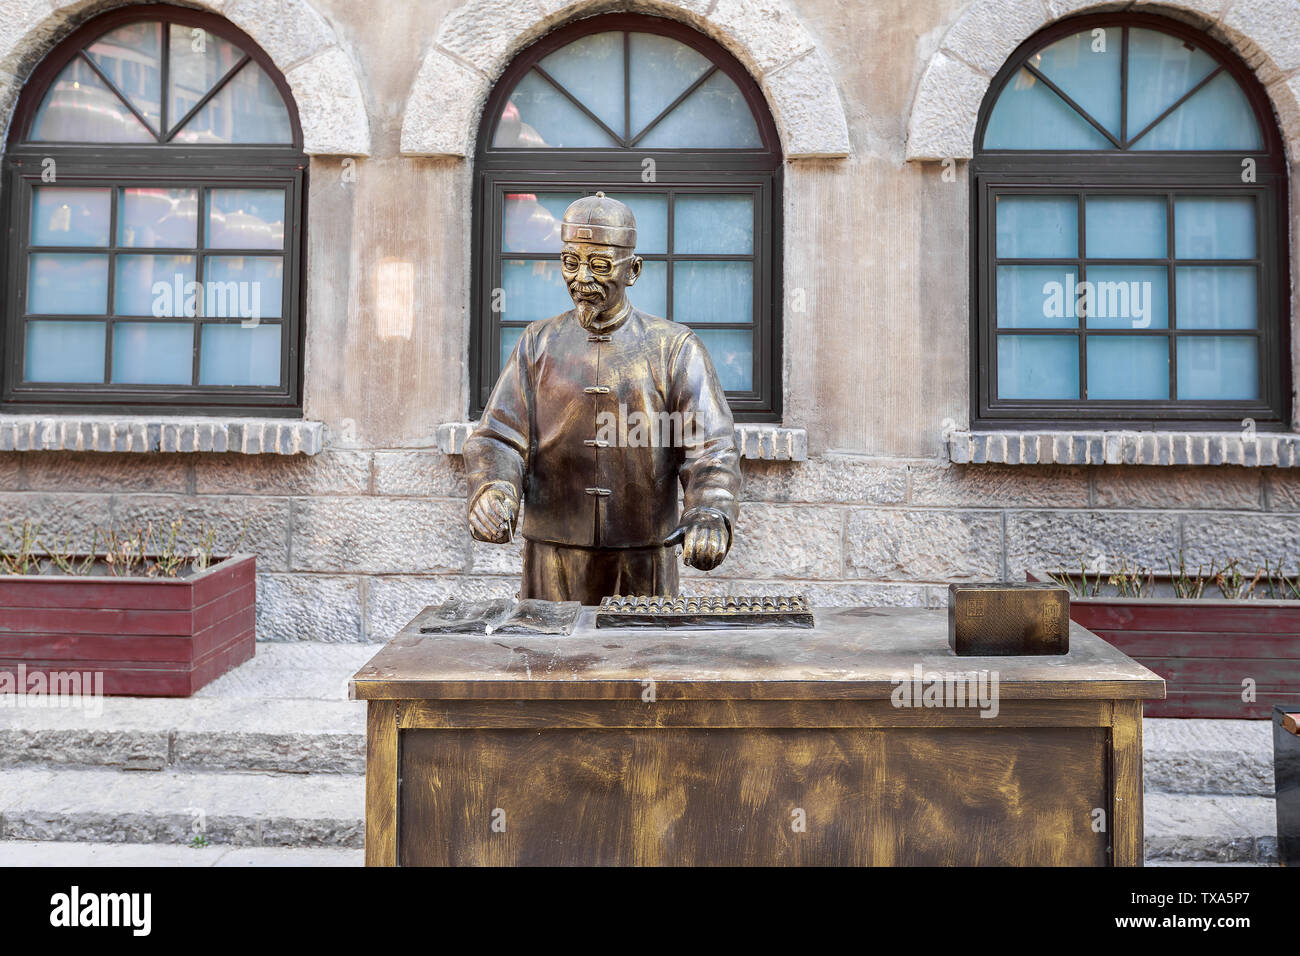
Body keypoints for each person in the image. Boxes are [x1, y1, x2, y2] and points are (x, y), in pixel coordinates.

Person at [464, 192, 742, 604]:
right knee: (550, 664)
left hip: (643, 554)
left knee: (639, 663)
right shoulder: (537, 342)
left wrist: (709, 512)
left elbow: (711, 449)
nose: (582, 279)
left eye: (598, 265)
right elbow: (500, 436)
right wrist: (495, 488)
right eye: (570, 262)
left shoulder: (675, 347)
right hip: (552, 552)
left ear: (633, 270)